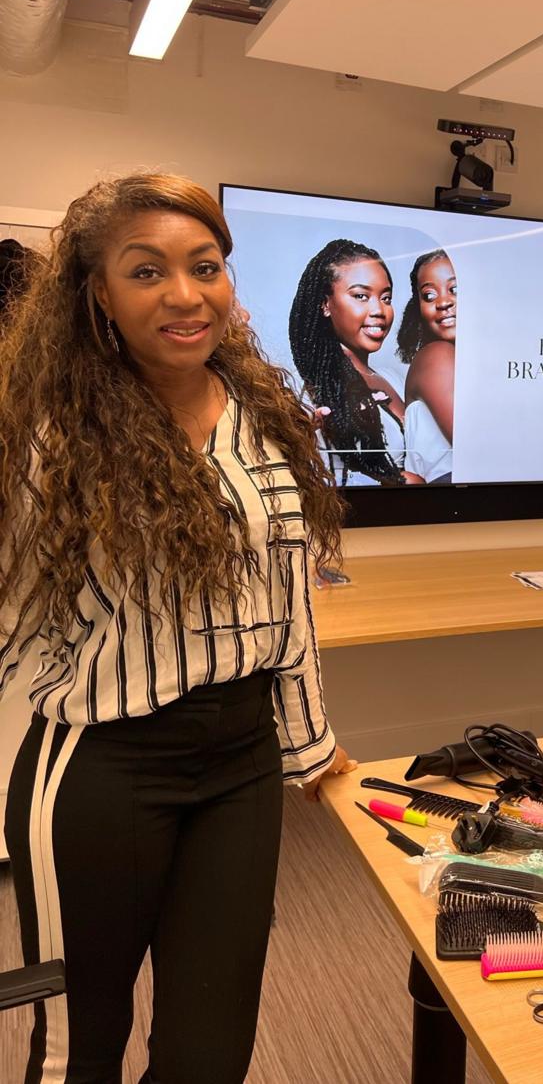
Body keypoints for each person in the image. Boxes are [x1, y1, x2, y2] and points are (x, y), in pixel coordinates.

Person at [0, 174, 355, 1084]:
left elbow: (290, 606)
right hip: (100, 768)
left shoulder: (268, 421)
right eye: (147, 271)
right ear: (99, 295)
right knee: (76, 1048)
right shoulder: (51, 435)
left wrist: (310, 745)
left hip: (239, 767)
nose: (185, 293)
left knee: (209, 1052)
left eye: (206, 267)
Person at [289, 238, 406, 487]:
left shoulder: (391, 377)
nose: (379, 310)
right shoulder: (316, 391)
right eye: (361, 296)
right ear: (325, 304)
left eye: (386, 298)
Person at [396, 249, 456, 485]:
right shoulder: (437, 355)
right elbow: (477, 448)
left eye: (455, 289)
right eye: (429, 295)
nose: (443, 302)